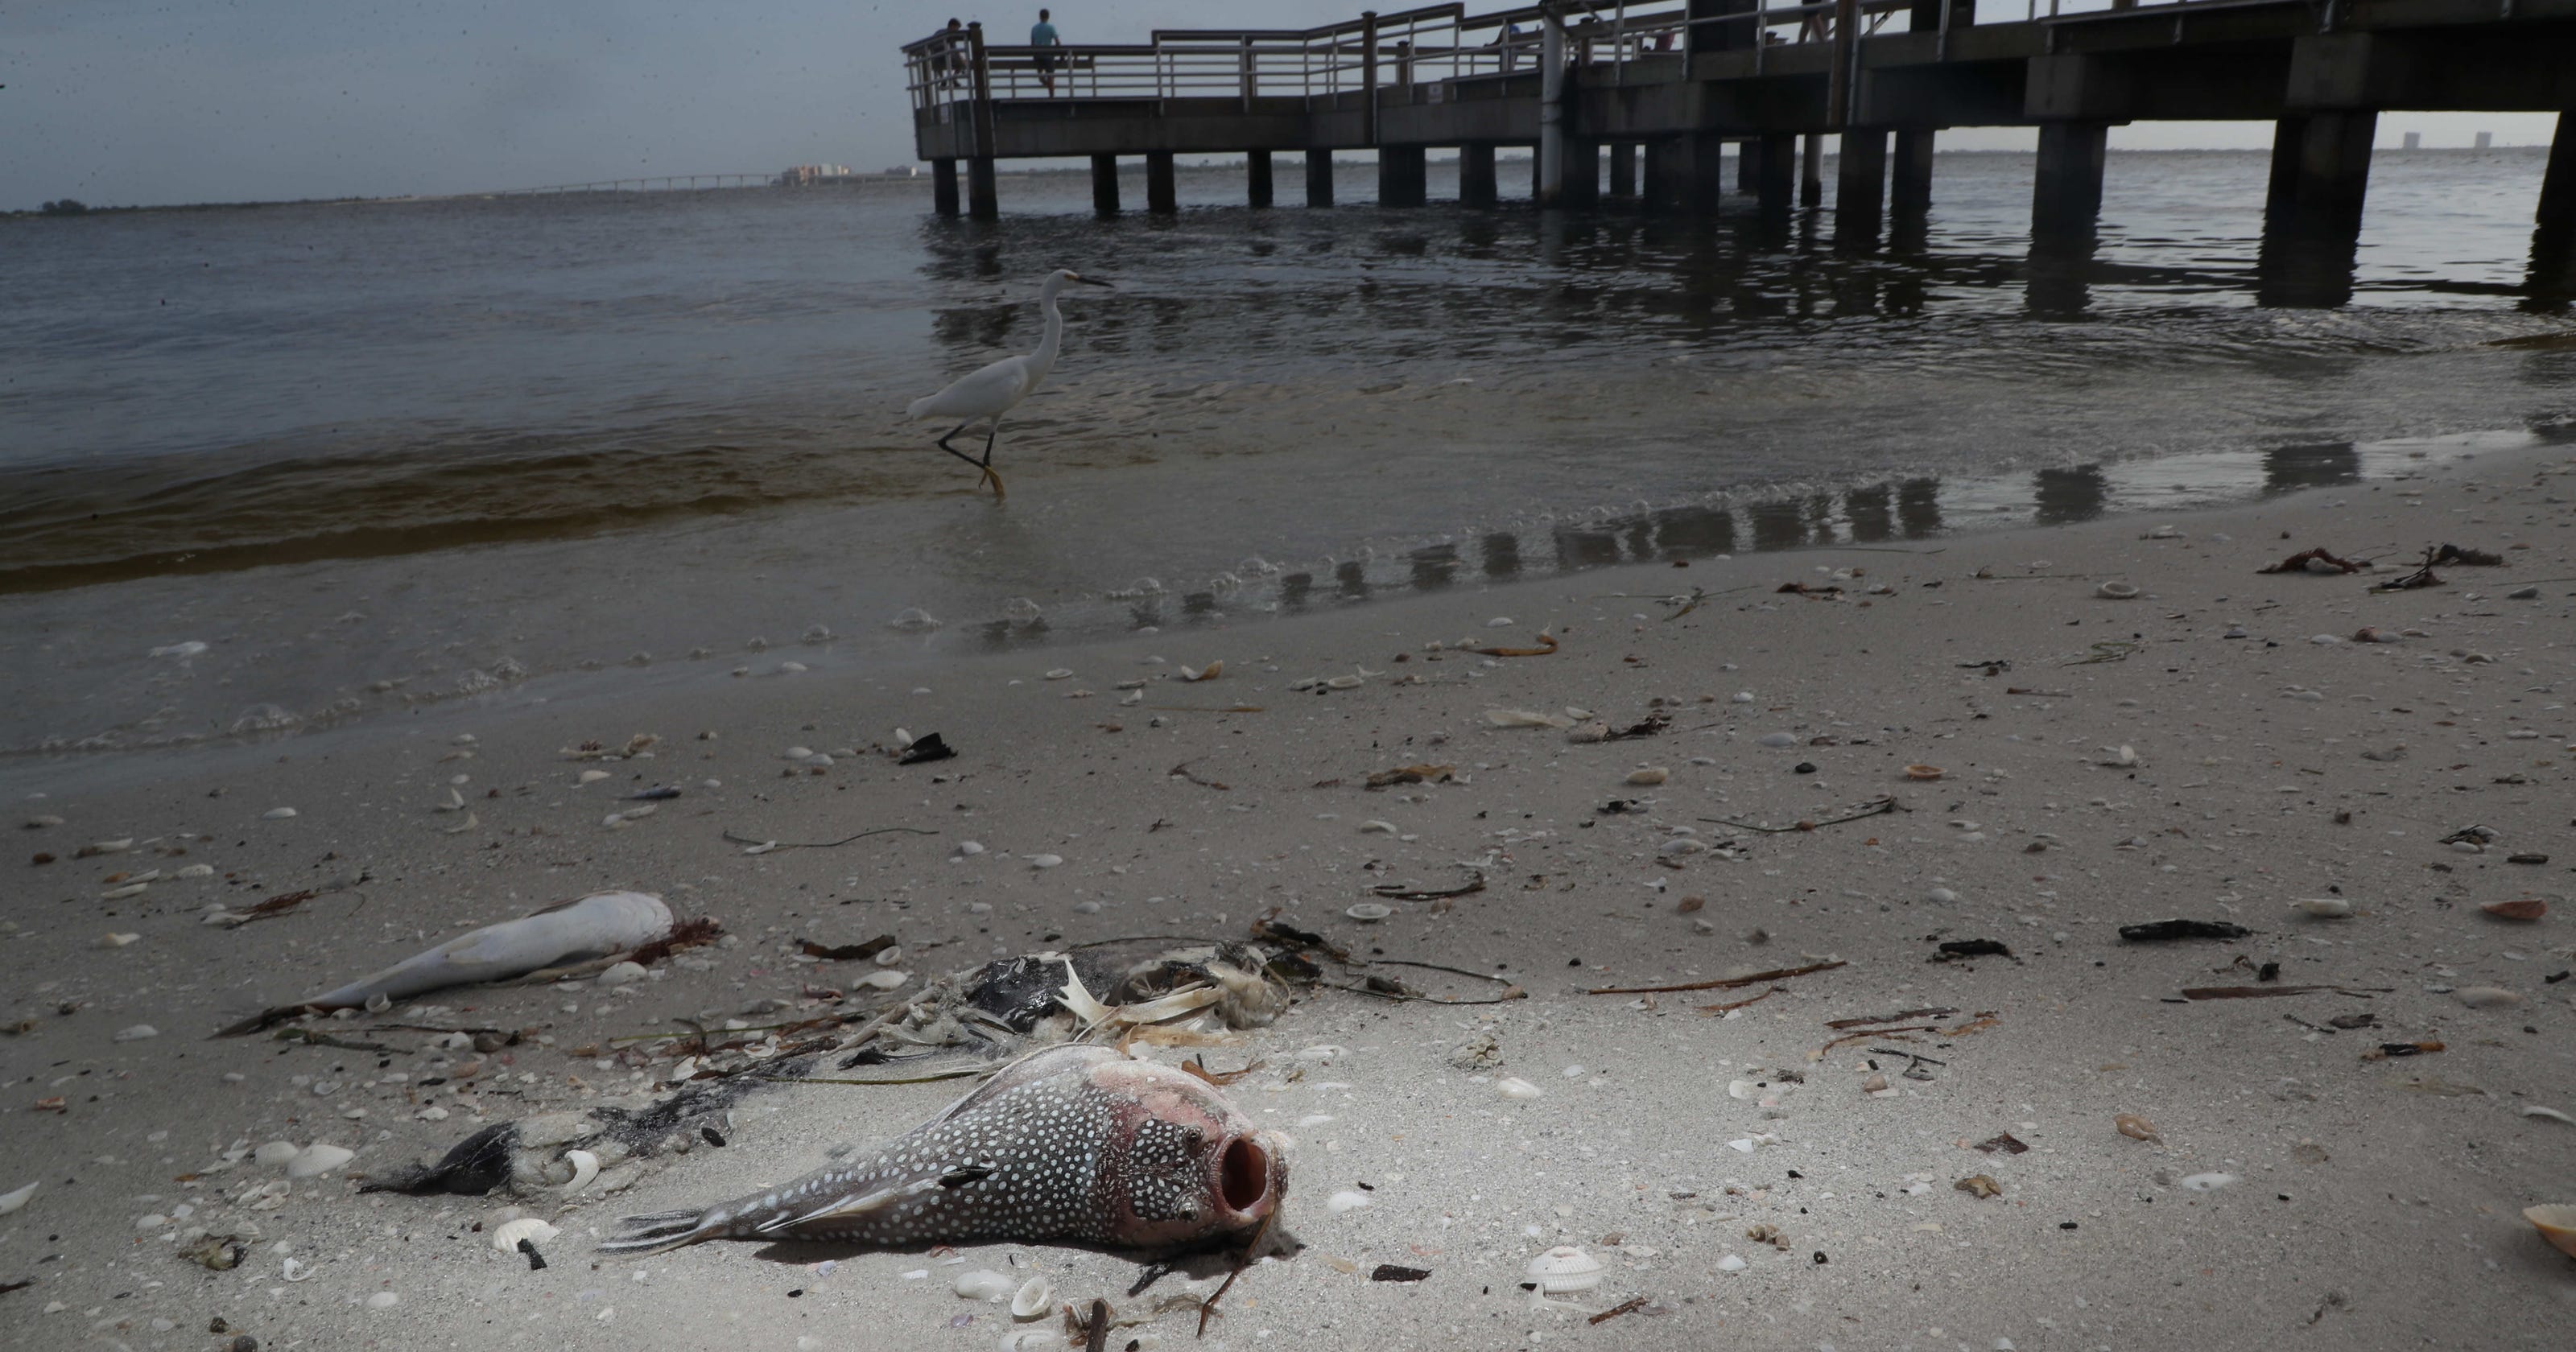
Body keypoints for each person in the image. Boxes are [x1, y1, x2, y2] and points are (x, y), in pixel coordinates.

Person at [1030, 8, 1060, 96]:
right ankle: (1051, 96)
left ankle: (1047, 83)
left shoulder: (1034, 28)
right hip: (1048, 56)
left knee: (1041, 77)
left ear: (1040, 16)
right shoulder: (1051, 27)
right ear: (1048, 17)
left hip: (1038, 56)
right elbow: (1057, 42)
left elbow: (1032, 44)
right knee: (1051, 77)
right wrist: (1061, 53)